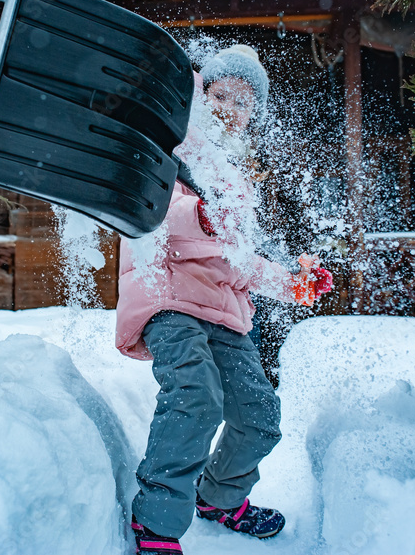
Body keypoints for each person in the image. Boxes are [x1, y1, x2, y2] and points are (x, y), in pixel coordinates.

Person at [115, 44, 333, 554]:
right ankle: (157, 525)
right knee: (196, 396)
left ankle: (219, 498)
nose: (230, 109)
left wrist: (292, 283)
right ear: (201, 96)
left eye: (243, 103)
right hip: (169, 298)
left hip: (222, 310)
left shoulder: (234, 177)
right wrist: (201, 217)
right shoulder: (172, 143)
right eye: (221, 97)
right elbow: (152, 213)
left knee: (259, 415)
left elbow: (238, 259)